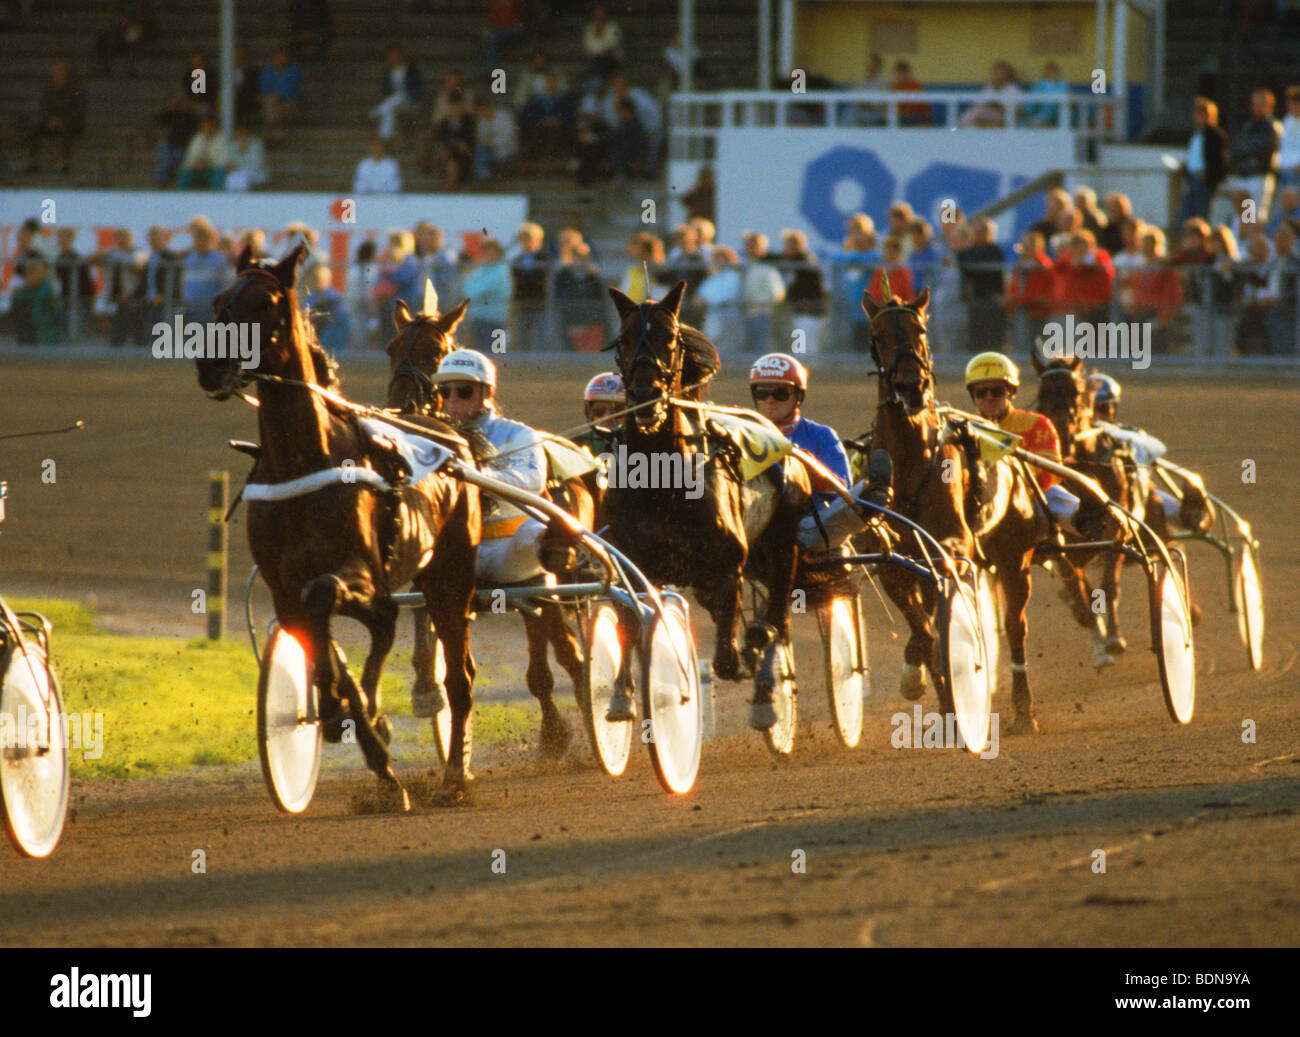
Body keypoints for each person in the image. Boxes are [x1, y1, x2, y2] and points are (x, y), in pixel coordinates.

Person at [432, 349, 549, 586]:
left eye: (464, 391)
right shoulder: (432, 436)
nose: (452, 398)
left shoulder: (519, 434)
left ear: (487, 392)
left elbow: (533, 479)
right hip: (455, 553)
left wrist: (475, 476)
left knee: (538, 530)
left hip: (507, 553)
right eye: (445, 391)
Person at [747, 353, 862, 554]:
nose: (770, 400)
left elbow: (842, 494)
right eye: (762, 392)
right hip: (751, 526)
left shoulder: (821, 435)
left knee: (853, 504)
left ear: (798, 396)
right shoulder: (741, 434)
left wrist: (808, 468)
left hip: (807, 527)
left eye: (780, 393)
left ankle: (876, 491)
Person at [964, 352, 1078, 526]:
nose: (989, 397)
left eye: (997, 391)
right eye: (981, 392)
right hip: (978, 504)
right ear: (973, 397)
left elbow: (1050, 474)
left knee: (1055, 495)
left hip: (1030, 503)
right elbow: (947, 471)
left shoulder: (1038, 424)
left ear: (1011, 392)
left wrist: (1008, 486)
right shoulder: (964, 428)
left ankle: (1085, 521)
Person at [1223, 88, 1283, 223]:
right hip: (1242, 176)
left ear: (1269, 105)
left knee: (1254, 217)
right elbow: (1236, 147)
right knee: (1240, 216)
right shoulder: (1248, 126)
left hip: (1258, 177)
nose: (1255, 107)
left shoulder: (1272, 126)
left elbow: (1263, 148)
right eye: (1253, 104)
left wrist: (1245, 151)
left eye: (1260, 104)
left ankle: (1253, 242)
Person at [26, 60, 85, 175]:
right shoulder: (49, 88)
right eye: (55, 71)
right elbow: (43, 106)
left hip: (70, 122)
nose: (57, 73)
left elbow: (78, 109)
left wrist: (61, 120)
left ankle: (65, 164)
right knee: (35, 129)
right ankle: (34, 163)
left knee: (65, 129)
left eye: (59, 71)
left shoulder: (74, 88)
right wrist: (49, 119)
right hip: (51, 121)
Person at [1177, 97, 1230, 224]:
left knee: (1202, 216)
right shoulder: (1195, 135)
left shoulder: (1216, 135)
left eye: (1203, 114)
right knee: (1185, 217)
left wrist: (1209, 176)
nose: (1199, 117)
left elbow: (1222, 160)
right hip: (1191, 179)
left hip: (1205, 182)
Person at [462, 238, 511, 351]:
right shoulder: (481, 270)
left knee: (497, 353)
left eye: (492, 251)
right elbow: (468, 287)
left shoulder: (501, 271)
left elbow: (477, 291)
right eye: (486, 251)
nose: (488, 254)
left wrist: (472, 292)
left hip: (496, 320)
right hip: (478, 318)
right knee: (480, 353)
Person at [371, 45, 423, 142]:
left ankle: (374, 113)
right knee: (390, 110)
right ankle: (384, 138)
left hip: (410, 101)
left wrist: (408, 94)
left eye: (396, 55)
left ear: (401, 55)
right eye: (391, 56)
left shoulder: (411, 70)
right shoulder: (387, 72)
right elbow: (384, 91)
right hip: (394, 103)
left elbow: (419, 89)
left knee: (399, 96)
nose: (394, 58)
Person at [11, 258, 62, 346]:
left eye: (37, 273)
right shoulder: (23, 290)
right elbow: (17, 305)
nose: (33, 276)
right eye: (30, 273)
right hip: (27, 333)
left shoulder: (47, 288)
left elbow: (51, 309)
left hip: (46, 334)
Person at [574, 371, 624, 457]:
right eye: (599, 411)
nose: (607, 417)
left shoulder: (643, 446)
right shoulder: (574, 445)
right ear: (589, 413)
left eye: (618, 411)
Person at [304, 264, 351, 353]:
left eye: (318, 278)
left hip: (331, 342)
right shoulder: (311, 297)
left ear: (328, 280)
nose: (315, 281)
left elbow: (339, 321)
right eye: (314, 278)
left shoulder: (335, 299)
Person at [259, 47, 302, 142]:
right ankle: (277, 130)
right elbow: (265, 89)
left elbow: (292, 89)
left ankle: (271, 130)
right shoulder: (268, 72)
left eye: (283, 57)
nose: (281, 60)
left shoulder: (294, 71)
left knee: (271, 104)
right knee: (270, 103)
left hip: (290, 102)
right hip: (271, 102)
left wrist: (277, 95)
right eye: (278, 57)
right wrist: (273, 96)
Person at [177, 118, 229, 189]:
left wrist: (209, 164)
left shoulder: (221, 140)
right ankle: (182, 197)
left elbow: (225, 160)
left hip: (213, 170)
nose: (207, 128)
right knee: (185, 173)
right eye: (205, 126)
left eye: (209, 126)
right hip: (198, 170)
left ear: (214, 127)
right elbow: (189, 158)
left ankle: (216, 197)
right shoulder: (197, 139)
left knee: (218, 174)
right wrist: (196, 164)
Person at [224, 125, 269, 191]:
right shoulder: (234, 145)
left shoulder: (256, 145)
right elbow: (231, 161)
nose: (241, 135)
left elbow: (256, 164)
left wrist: (243, 153)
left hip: (257, 172)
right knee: (230, 178)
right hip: (238, 172)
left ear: (247, 133)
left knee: (242, 178)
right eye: (238, 133)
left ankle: (244, 199)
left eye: (243, 133)